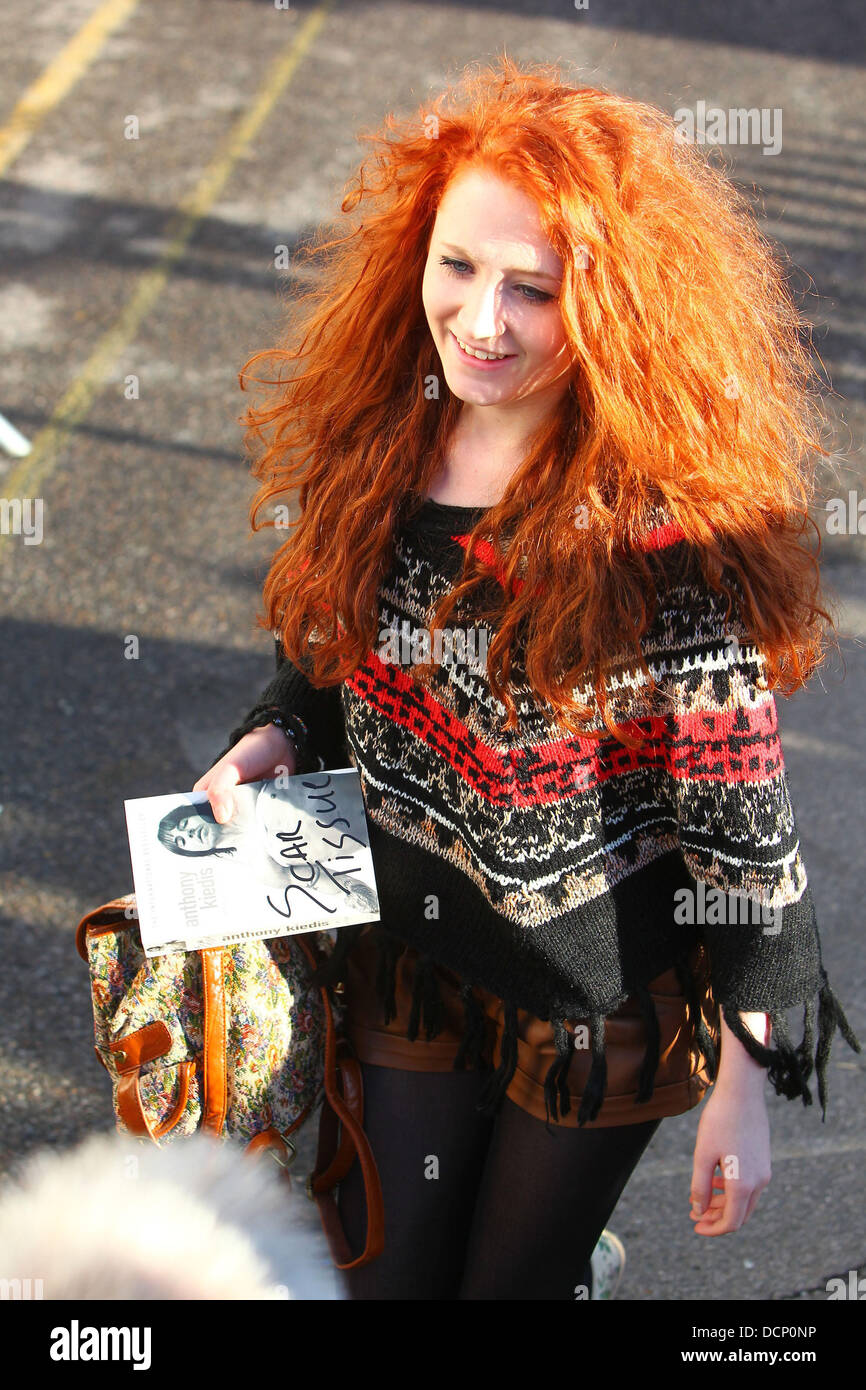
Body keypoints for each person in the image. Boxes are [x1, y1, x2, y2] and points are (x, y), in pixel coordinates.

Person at [193, 55, 860, 1300]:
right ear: (416, 255)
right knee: (386, 1281)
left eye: (533, 288)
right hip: (413, 951)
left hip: (593, 1005)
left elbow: (744, 851)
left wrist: (745, 1095)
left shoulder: (659, 546)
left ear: (613, 308)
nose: (480, 320)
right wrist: (271, 739)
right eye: (457, 265)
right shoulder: (377, 443)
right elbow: (326, 665)